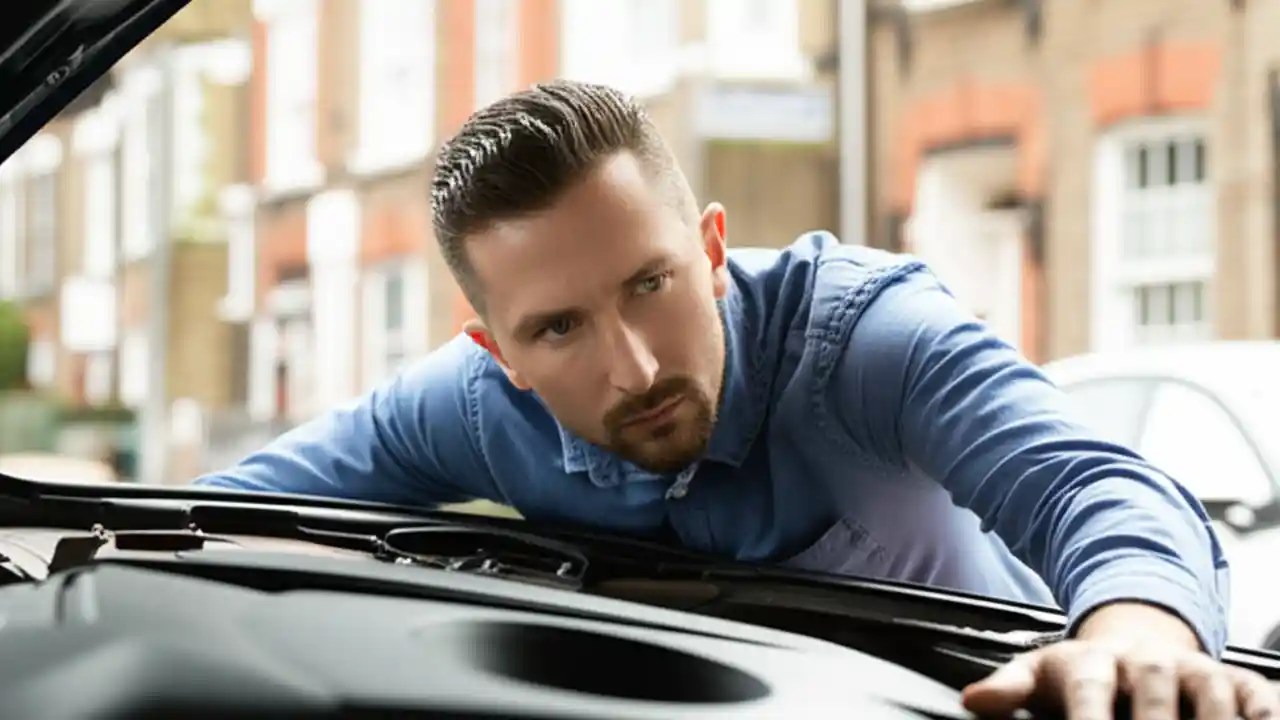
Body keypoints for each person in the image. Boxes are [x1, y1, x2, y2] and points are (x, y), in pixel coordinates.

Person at [196, 80, 1277, 719]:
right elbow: (211, 522)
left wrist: (1134, 636)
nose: (631, 368)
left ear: (710, 248)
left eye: (648, 285)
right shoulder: (470, 406)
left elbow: (1093, 489)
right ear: (498, 350)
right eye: (558, 329)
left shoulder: (866, 337)